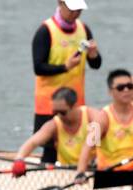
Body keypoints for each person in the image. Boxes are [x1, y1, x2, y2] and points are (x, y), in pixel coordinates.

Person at [32, 0, 102, 164]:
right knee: (50, 147)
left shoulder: (84, 30)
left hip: (75, 103)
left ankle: (80, 172)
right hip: (50, 103)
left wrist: (93, 55)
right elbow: (38, 67)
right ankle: (46, 176)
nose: (75, 13)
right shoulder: (45, 31)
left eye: (79, 10)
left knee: (81, 143)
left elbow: (96, 65)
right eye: (72, 9)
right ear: (60, 4)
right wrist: (65, 67)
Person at [77, 69, 133, 176]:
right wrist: (80, 172)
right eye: (120, 88)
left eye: (129, 86)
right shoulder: (101, 117)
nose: (126, 90)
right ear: (110, 92)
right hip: (112, 175)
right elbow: (87, 146)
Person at [15, 87, 93, 170]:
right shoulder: (54, 124)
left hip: (93, 169)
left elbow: (95, 147)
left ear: (75, 106)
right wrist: (19, 159)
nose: (59, 116)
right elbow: (33, 142)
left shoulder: (93, 118)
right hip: (67, 171)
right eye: (55, 112)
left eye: (63, 112)